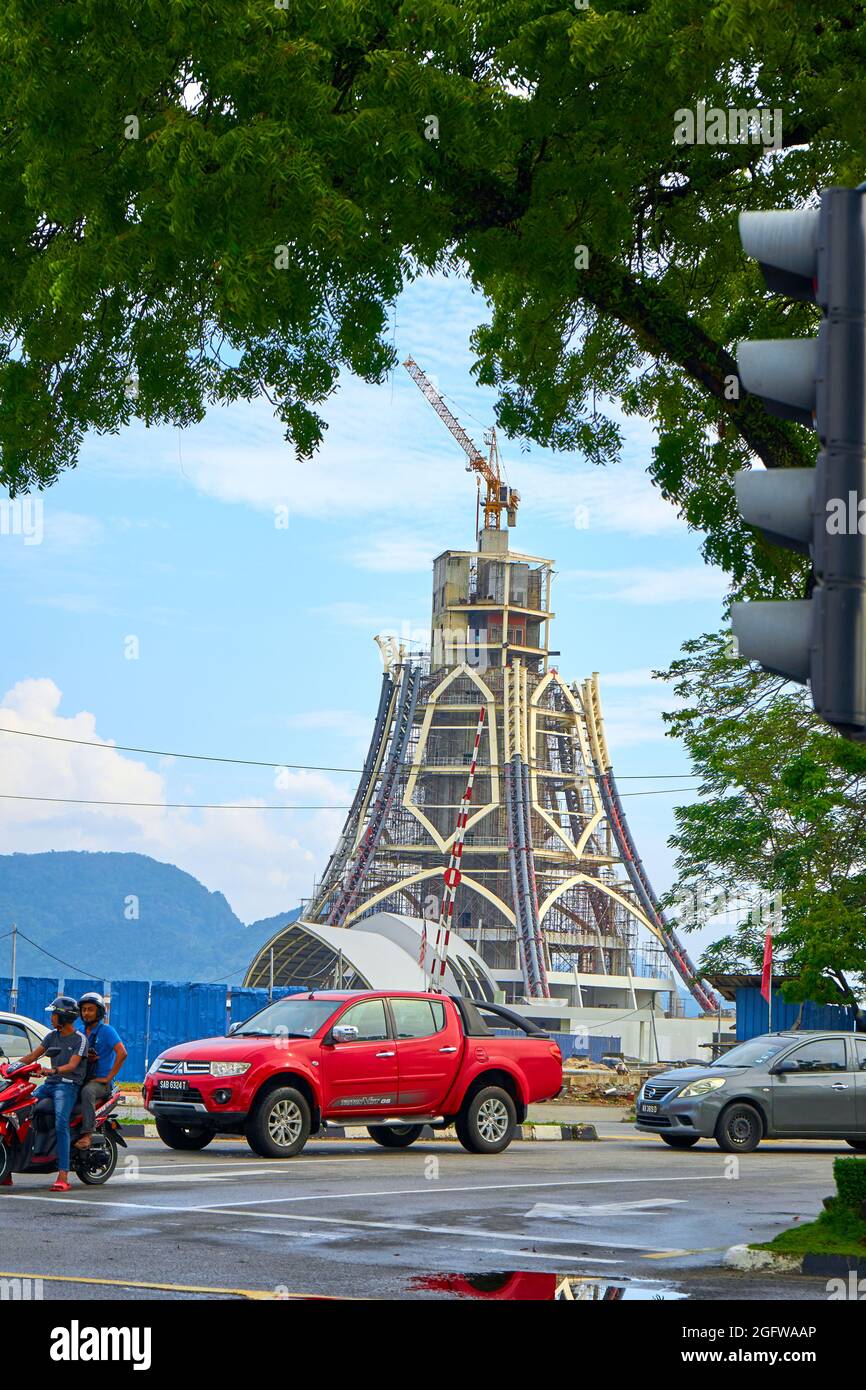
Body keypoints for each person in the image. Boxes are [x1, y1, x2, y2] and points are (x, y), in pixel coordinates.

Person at [15, 996, 88, 1192]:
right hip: (49, 1084)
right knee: (22, 1111)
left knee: (60, 1122)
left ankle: (63, 1174)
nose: (51, 1018)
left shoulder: (80, 1039)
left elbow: (73, 1065)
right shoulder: (51, 1037)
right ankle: (11, 1168)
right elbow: (32, 1056)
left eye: (54, 1014)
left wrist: (52, 1071)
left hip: (67, 1085)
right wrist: (12, 1067)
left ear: (64, 1017)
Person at [74, 993, 127, 1150]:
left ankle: (87, 1135)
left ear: (99, 1012)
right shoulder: (79, 1032)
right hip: (81, 1078)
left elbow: (122, 1053)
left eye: (90, 1009)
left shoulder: (107, 1031)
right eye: (83, 1010)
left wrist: (108, 1077)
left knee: (87, 1092)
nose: (86, 1013)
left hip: (99, 1083)